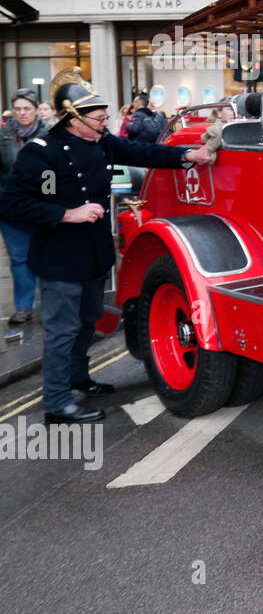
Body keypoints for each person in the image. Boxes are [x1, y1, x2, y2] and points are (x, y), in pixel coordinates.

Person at [0, 78, 214, 422]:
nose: (106, 124)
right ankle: (56, 403)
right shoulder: (42, 152)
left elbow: (145, 152)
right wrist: (67, 213)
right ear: (74, 118)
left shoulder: (101, 143)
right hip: (59, 258)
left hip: (93, 253)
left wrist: (189, 155)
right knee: (61, 331)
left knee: (87, 323)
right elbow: (13, 204)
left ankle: (78, 377)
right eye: (100, 119)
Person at [0, 88, 51, 324]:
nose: (22, 113)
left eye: (27, 108)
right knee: (19, 258)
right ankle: (24, 306)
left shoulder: (50, 133)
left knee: (48, 255)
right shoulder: (4, 135)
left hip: (43, 207)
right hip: (12, 209)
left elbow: (55, 170)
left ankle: (51, 303)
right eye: (18, 109)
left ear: (36, 109)